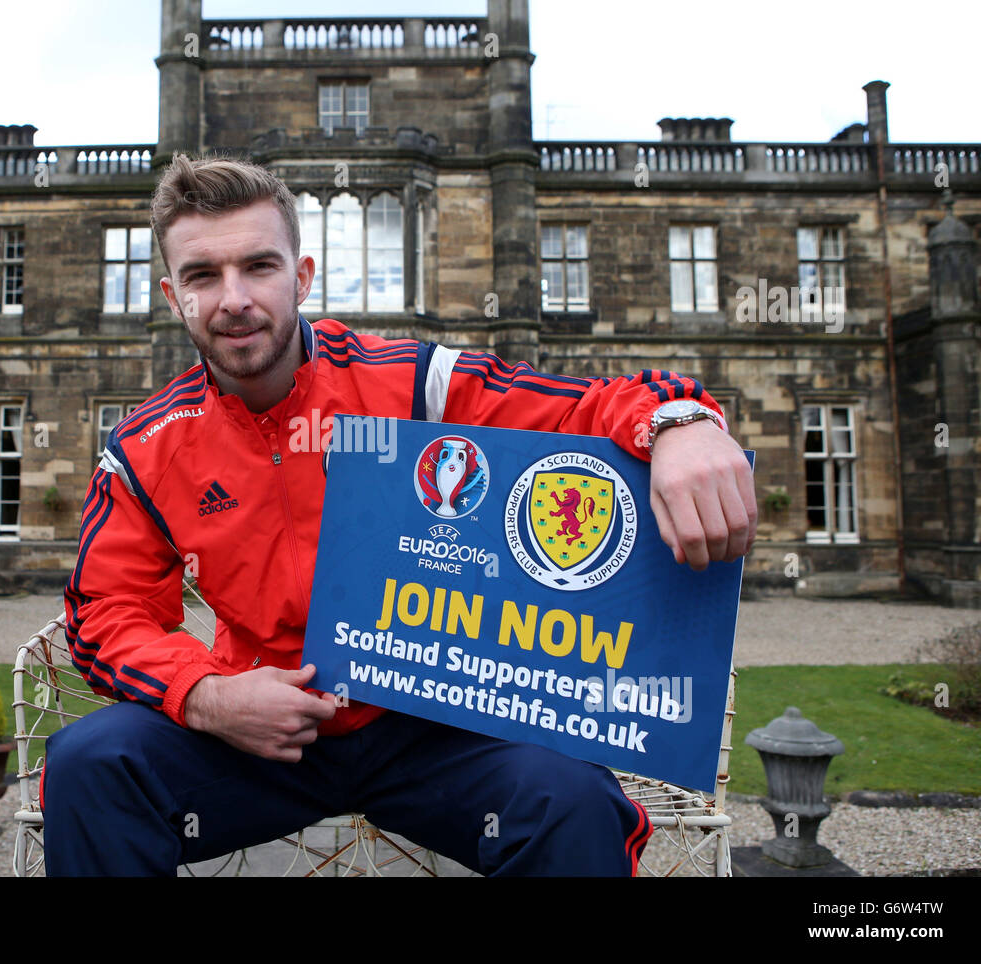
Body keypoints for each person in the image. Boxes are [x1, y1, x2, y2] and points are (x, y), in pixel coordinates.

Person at [41, 153, 757, 876]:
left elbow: (584, 408)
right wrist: (206, 696)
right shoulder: (145, 445)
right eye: (203, 275)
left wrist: (680, 422)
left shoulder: (410, 382)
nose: (234, 299)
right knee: (88, 763)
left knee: (571, 799)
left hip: (430, 725)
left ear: (304, 275)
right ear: (173, 296)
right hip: (261, 733)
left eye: (259, 266)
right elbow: (105, 612)